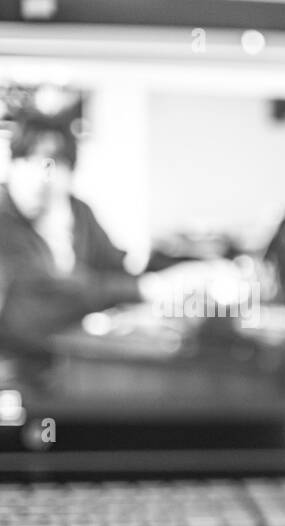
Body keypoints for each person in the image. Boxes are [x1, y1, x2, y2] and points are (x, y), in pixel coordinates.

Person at [0, 108, 236, 362]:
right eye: (27, 159)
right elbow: (41, 295)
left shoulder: (76, 212)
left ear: (69, 171)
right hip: (19, 362)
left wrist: (192, 270)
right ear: (12, 164)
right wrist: (146, 288)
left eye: (52, 163)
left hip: (74, 356)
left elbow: (115, 265)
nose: (40, 176)